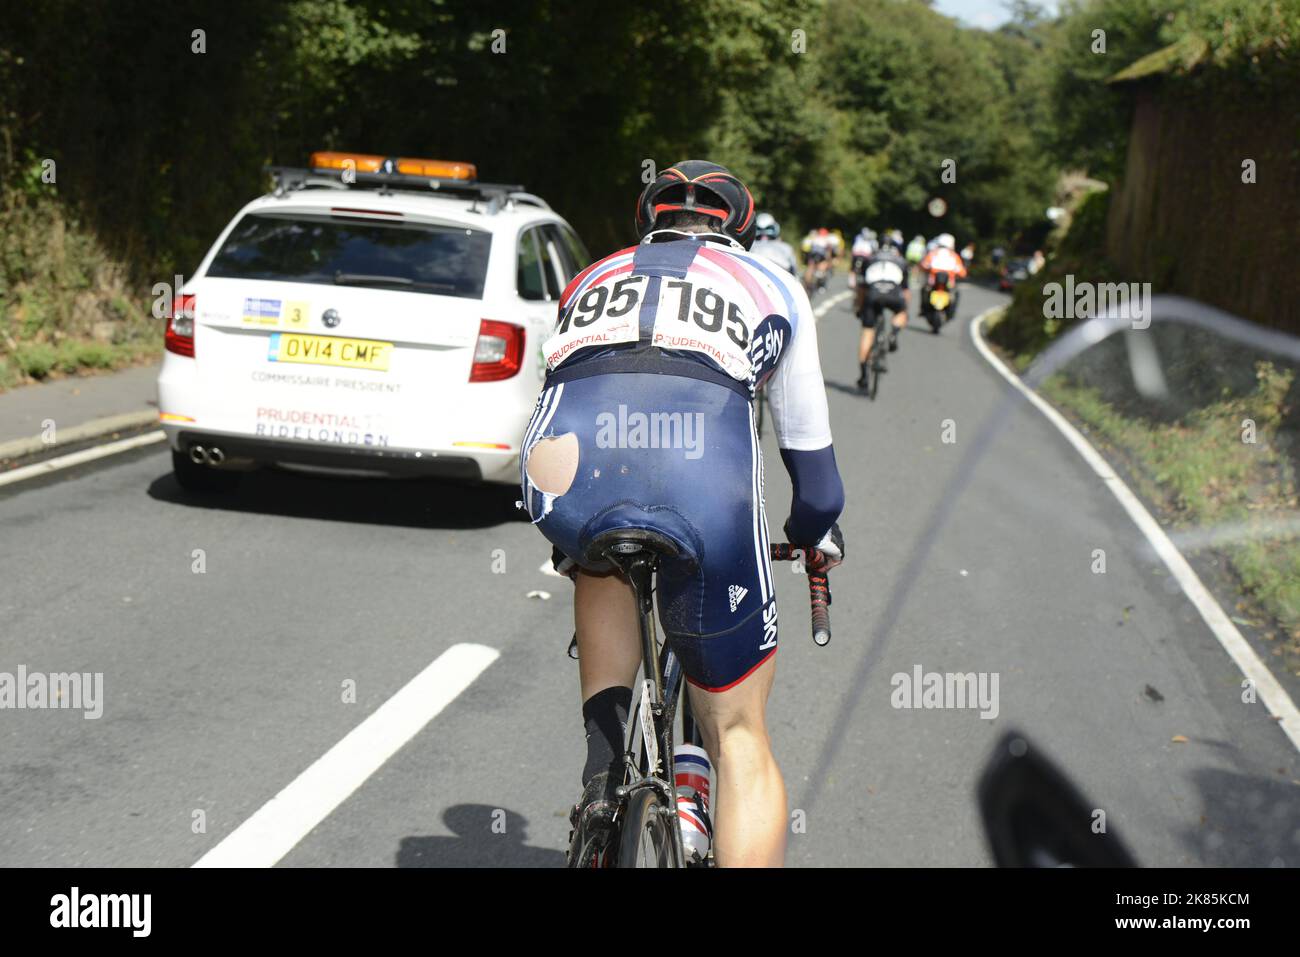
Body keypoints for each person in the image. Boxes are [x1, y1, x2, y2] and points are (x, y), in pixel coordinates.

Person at [521, 160, 846, 868]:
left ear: (647, 225)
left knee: (597, 552)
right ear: (742, 230)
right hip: (702, 489)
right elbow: (816, 482)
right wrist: (810, 535)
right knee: (739, 736)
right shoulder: (775, 285)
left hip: (568, 475)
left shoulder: (591, 275)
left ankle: (603, 781)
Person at [856, 232, 911, 386]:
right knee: (900, 312)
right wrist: (905, 311)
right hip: (893, 292)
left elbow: (861, 289)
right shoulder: (901, 261)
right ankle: (893, 333)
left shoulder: (869, 259)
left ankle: (863, 375)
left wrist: (860, 307)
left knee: (867, 332)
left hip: (873, 293)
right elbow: (906, 291)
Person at [919, 232, 968, 318]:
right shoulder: (954, 256)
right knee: (956, 294)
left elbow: (923, 265)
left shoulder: (933, 253)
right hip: (947, 284)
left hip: (934, 284)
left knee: (924, 290)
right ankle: (951, 314)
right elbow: (962, 272)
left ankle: (923, 309)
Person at [750, 212, 799, 276]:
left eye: (768, 229)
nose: (764, 235)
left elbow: (793, 271)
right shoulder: (786, 247)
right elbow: (794, 271)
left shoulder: (786, 247)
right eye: (759, 230)